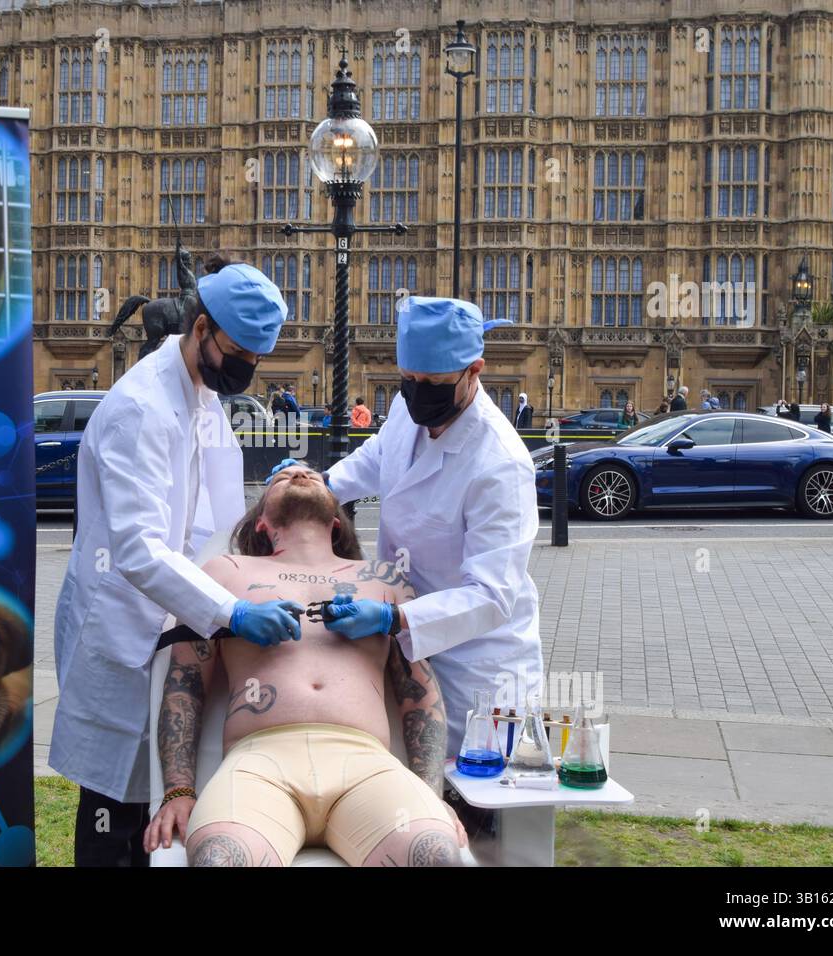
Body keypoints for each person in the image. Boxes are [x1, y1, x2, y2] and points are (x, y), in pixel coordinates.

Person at [52, 262, 301, 867]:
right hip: (121, 628)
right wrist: (231, 610)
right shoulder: (141, 407)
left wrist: (264, 530)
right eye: (238, 352)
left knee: (164, 806)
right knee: (114, 807)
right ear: (200, 327)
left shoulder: (201, 395)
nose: (244, 368)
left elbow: (209, 513)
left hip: (172, 624)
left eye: (256, 358)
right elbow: (138, 548)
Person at [144, 466, 466, 866]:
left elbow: (420, 698)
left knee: (435, 854)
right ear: (261, 522)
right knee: (218, 858)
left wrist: (428, 796)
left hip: (367, 766)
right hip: (258, 765)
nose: (298, 472)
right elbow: (184, 685)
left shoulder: (384, 579)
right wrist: (178, 791)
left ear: (336, 520)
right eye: (282, 477)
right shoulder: (224, 573)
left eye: (312, 473)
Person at [316, 296, 544, 838]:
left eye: (433, 382)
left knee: (473, 825)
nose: (418, 391)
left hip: (477, 671)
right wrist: (324, 486)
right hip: (408, 649)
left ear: (474, 372)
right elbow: (380, 456)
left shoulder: (500, 464)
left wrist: (395, 620)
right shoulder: (409, 407)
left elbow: (491, 596)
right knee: (407, 815)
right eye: (408, 378)